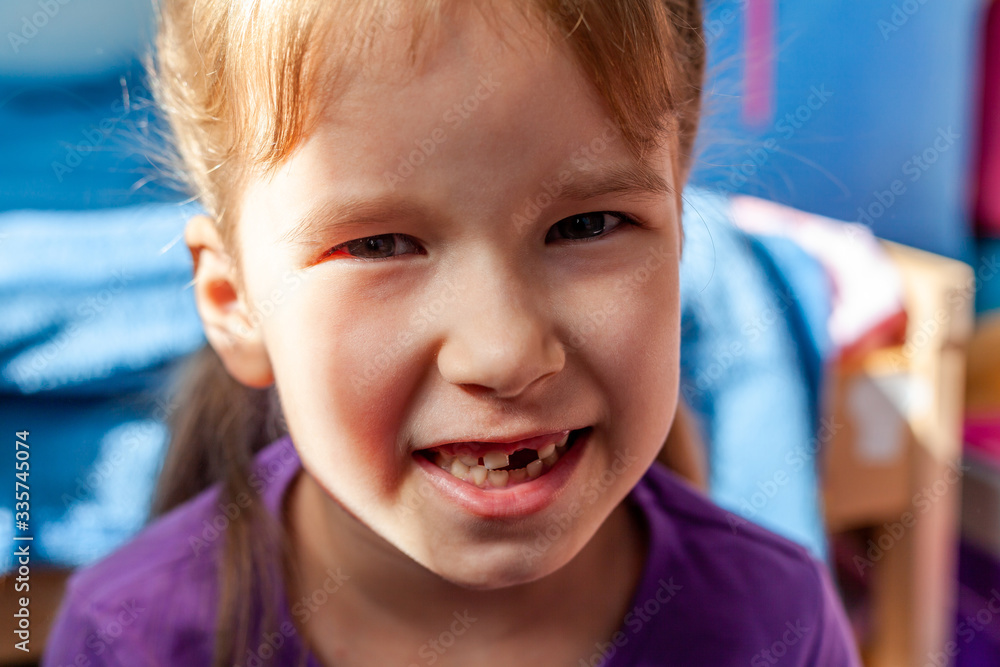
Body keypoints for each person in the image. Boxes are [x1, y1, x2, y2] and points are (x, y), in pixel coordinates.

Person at [43, 1, 861, 665]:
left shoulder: (776, 626)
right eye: (379, 245)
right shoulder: (130, 639)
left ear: (680, 237)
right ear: (235, 302)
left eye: (588, 225)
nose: (504, 352)